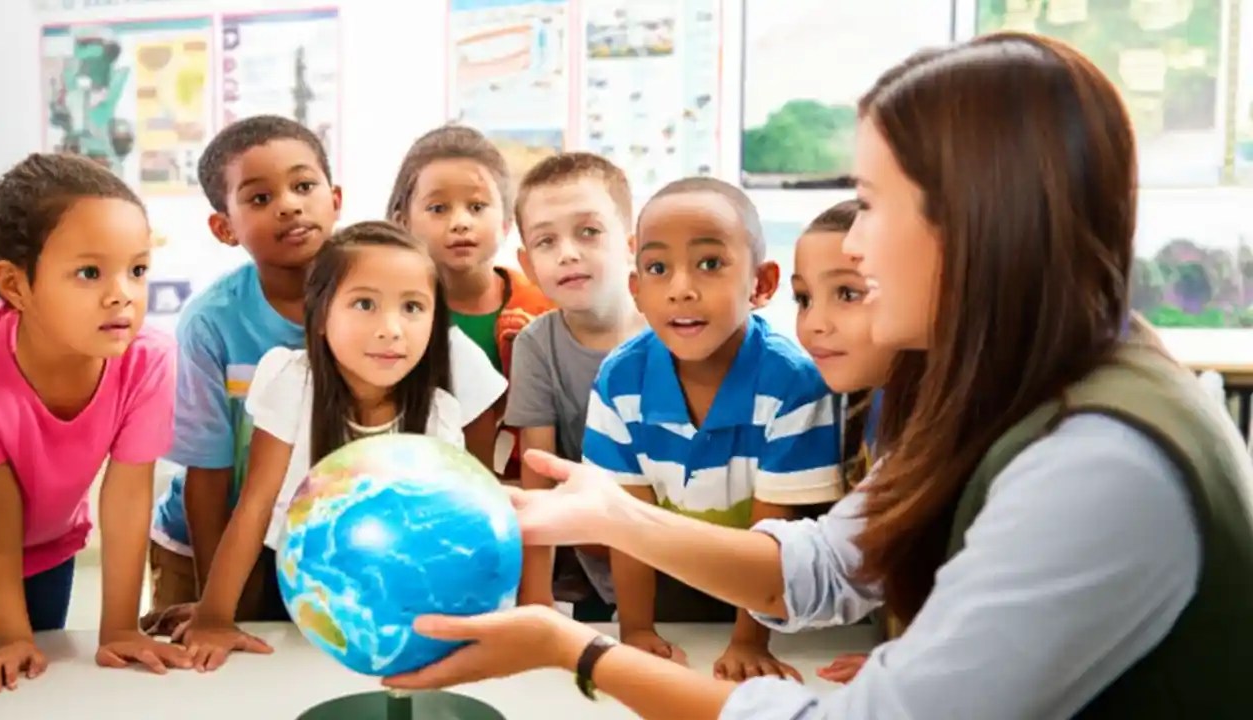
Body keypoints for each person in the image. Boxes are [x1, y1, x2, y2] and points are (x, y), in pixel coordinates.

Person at [378, 33, 1253, 719]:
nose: (857, 244)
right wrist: (619, 519)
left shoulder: (1094, 466)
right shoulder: (1011, 384)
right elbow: (828, 565)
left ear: (978, 217)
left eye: (872, 203)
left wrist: (575, 653)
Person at [144, 116, 504, 634]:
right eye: (260, 198)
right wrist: (216, 605)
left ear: (334, 199)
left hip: (352, 553)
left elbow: (471, 489)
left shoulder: (412, 326)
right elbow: (215, 475)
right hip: (221, 540)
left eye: (304, 186)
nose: (289, 204)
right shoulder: (219, 328)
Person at [583, 177, 844, 682]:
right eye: (658, 269)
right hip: (671, 575)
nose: (681, 288)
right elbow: (627, 523)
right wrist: (637, 631)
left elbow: (775, 535)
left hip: (776, 593)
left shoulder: (792, 383)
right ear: (636, 290)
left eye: (709, 264)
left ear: (761, 284)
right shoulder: (621, 381)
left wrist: (749, 642)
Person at [182, 221, 462, 670]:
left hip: (389, 593)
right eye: (365, 304)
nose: (391, 329)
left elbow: (437, 533)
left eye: (412, 307)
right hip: (287, 583)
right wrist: (214, 616)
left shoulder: (439, 415)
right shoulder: (291, 382)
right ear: (319, 315)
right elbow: (255, 504)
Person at [0, 153, 190, 694]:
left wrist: (119, 627)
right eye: (90, 272)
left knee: (31, 687)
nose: (122, 293)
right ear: (15, 286)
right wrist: (9, 632)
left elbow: (127, 496)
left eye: (137, 270)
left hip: (47, 550)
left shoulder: (148, 361)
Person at [505, 152, 643, 619]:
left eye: (589, 231)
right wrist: (536, 597)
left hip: (684, 552)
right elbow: (537, 478)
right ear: (527, 262)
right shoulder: (536, 345)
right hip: (599, 568)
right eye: (546, 241)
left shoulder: (673, 332)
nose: (568, 252)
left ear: (631, 245)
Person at [386, 124, 552, 479]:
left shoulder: (546, 312)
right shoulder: (388, 325)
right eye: (438, 208)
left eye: (477, 206)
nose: (460, 222)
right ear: (403, 221)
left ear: (507, 222)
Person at [790, 201, 896, 683]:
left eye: (848, 294)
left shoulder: (949, 421)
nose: (814, 322)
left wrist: (911, 657)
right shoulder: (855, 397)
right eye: (803, 299)